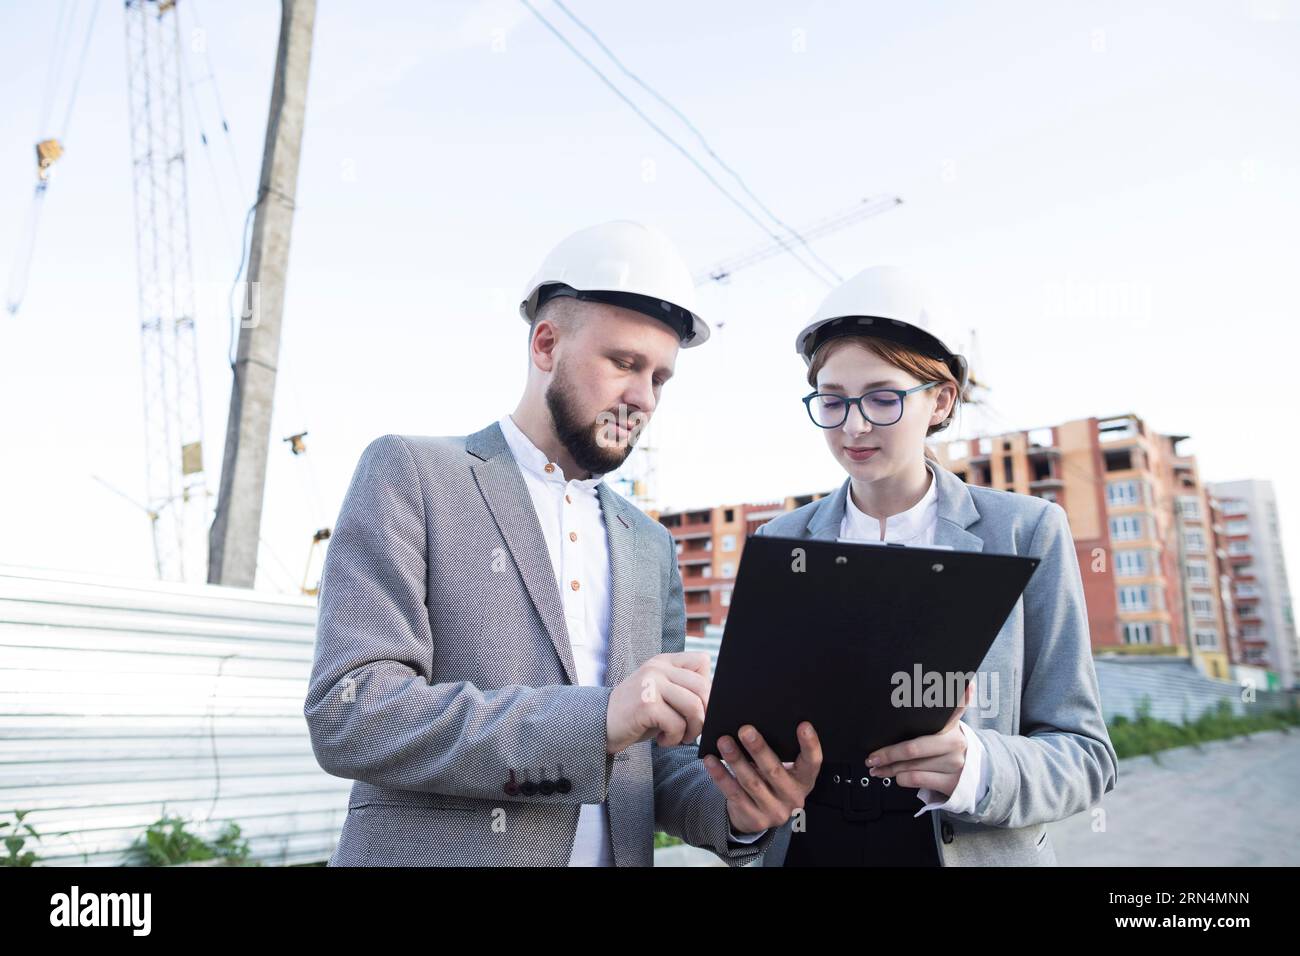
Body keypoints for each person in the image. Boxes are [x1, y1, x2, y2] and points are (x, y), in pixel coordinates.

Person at [305, 220, 821, 866]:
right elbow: (353, 715)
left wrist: (736, 811)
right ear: (545, 344)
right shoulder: (410, 474)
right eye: (624, 363)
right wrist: (600, 717)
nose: (643, 397)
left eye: (660, 378)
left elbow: (652, 763)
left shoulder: (651, 546)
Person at [755, 265, 1118, 866]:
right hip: (809, 847)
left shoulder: (1025, 532)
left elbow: (1086, 756)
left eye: (882, 398)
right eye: (833, 401)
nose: (854, 425)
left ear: (941, 399)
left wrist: (976, 766)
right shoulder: (780, 539)